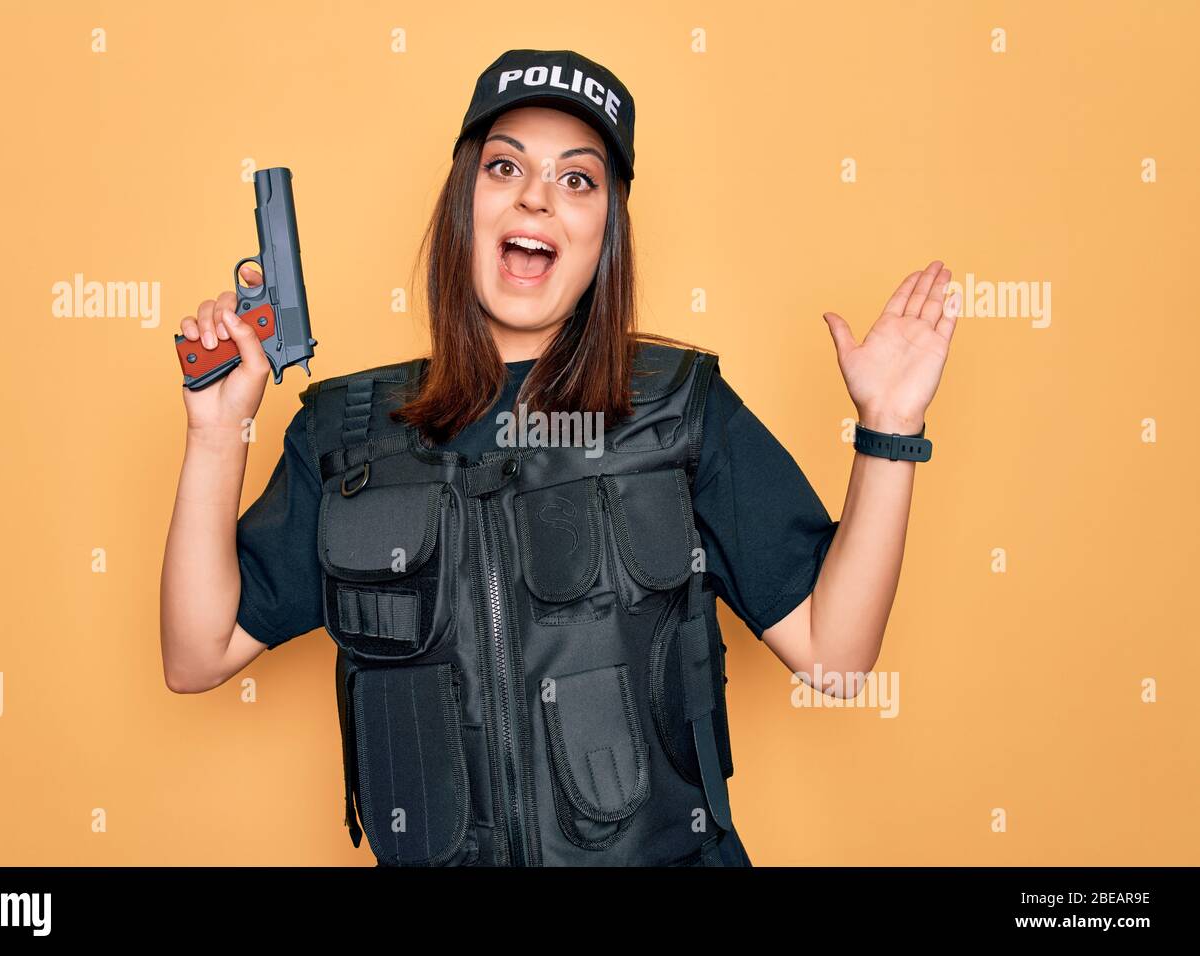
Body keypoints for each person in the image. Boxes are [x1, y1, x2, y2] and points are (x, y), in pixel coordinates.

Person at [159, 49, 958, 867]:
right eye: (504, 167)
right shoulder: (348, 436)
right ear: (464, 204)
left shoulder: (681, 410)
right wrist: (217, 435)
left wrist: (889, 429)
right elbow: (195, 655)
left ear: (606, 234)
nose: (536, 196)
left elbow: (835, 656)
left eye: (577, 179)